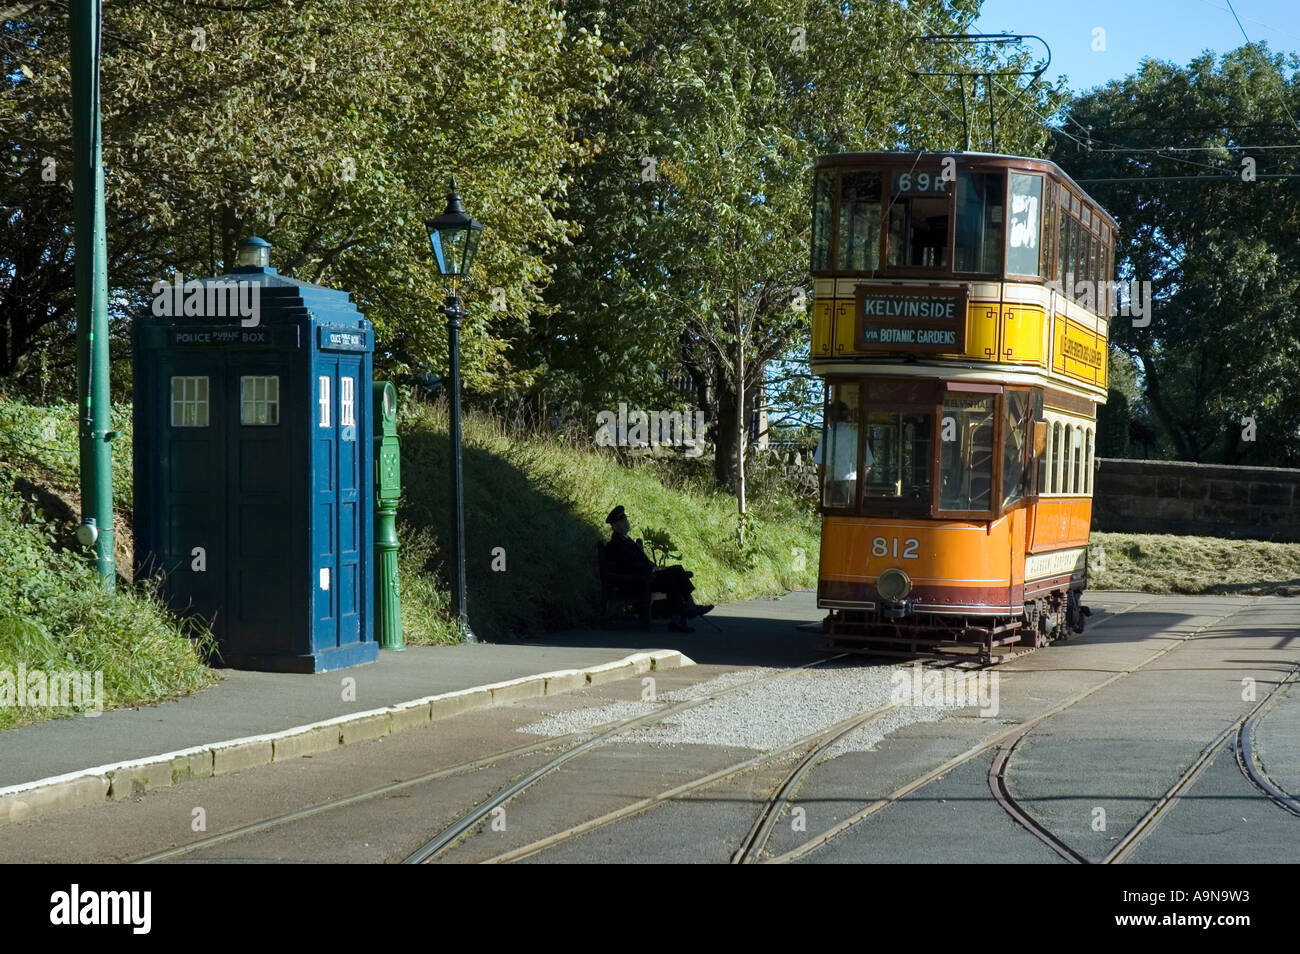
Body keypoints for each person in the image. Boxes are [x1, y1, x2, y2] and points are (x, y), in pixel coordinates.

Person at [605, 505, 712, 633]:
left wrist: (654, 568)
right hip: (636, 581)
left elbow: (642, 561)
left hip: (645, 577)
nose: (626, 523)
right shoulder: (616, 544)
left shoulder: (627, 540)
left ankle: (680, 615)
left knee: (674, 575)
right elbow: (627, 566)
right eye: (622, 521)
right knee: (675, 573)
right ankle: (687, 609)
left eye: (625, 519)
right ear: (615, 526)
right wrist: (651, 570)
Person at [813, 400, 872, 505]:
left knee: (834, 519)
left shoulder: (828, 436)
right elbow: (867, 466)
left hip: (834, 485)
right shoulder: (858, 435)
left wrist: (822, 490)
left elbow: (821, 466)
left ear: (830, 418)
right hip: (855, 486)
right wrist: (860, 486)